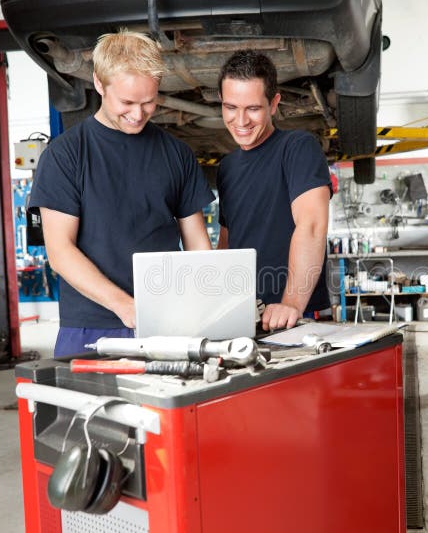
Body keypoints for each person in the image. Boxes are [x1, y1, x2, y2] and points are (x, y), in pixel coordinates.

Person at [29, 30, 214, 356]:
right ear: (99, 84)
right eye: (127, 102)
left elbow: (197, 242)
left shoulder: (176, 154)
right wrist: (124, 306)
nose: (138, 114)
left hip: (166, 324)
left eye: (149, 102)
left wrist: (206, 307)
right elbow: (59, 251)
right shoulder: (65, 155)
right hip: (91, 326)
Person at [216, 50, 332, 331]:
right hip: (245, 318)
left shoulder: (297, 148)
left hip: (297, 316)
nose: (241, 121)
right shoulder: (227, 167)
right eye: (231, 107)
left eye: (253, 108)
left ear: (274, 104)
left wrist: (291, 303)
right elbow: (227, 241)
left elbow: (312, 225)